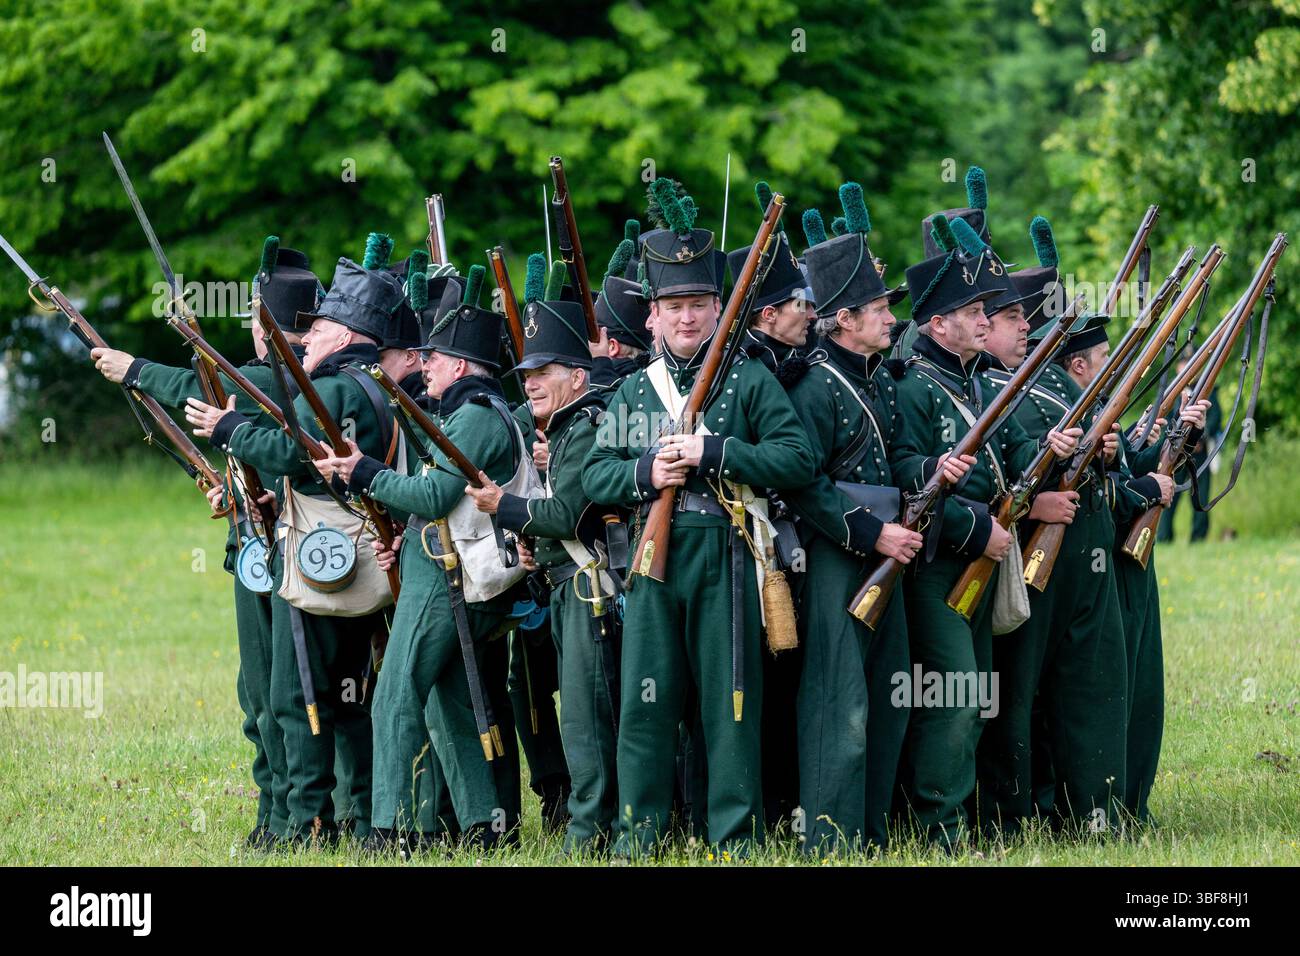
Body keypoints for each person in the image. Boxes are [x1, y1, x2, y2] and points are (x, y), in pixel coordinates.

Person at [583, 177, 815, 856]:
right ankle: (639, 835)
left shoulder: (749, 379)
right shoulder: (632, 389)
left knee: (732, 702)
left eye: (700, 304)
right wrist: (644, 472)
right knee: (645, 707)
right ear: (651, 315)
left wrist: (716, 450)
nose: (688, 318)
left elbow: (796, 459)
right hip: (655, 559)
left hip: (727, 549)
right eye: (675, 306)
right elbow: (593, 475)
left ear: (720, 308)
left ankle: (735, 836)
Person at [90, 237, 320, 849]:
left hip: (287, 554)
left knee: (281, 696)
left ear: (266, 323)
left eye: (253, 317)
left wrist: (131, 368)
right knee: (264, 696)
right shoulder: (287, 381)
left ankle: (295, 819)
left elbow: (206, 386)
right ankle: (277, 815)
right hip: (261, 543)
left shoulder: (280, 381)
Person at [187, 239, 405, 847]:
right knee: (326, 695)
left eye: (322, 329)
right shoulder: (356, 385)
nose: (308, 341)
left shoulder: (328, 388)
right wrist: (244, 496)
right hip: (322, 548)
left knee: (294, 695)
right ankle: (335, 817)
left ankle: (304, 824)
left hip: (322, 555)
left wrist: (227, 428)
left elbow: (293, 453)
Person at [314, 263, 532, 850]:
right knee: (448, 707)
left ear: (459, 365)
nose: (423, 363)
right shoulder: (477, 411)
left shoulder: (478, 416)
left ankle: (390, 828)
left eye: (432, 357)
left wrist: (364, 471)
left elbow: (434, 495)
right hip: (440, 571)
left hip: (447, 580)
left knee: (392, 698)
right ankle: (485, 828)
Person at [889, 213, 1079, 849]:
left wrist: (1041, 480)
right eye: (971, 309)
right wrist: (980, 533)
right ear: (937, 324)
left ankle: (962, 821)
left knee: (976, 699)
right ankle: (936, 830)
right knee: (957, 699)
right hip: (938, 566)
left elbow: (1004, 470)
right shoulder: (915, 387)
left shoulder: (972, 382)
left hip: (976, 559)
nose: (986, 317)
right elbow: (907, 485)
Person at [783, 183, 921, 853]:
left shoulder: (876, 378)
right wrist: (871, 532)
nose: (891, 319)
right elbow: (803, 482)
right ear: (843, 320)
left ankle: (870, 829)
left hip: (890, 550)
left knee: (889, 696)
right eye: (877, 310)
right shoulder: (814, 387)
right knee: (841, 703)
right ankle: (833, 840)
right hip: (842, 557)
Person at [467, 254, 621, 851]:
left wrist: (503, 506)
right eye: (526, 373)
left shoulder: (585, 427)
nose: (529, 382)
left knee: (585, 720)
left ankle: (588, 834)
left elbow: (566, 515)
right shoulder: (565, 431)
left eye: (545, 371)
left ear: (578, 377)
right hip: (567, 588)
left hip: (590, 594)